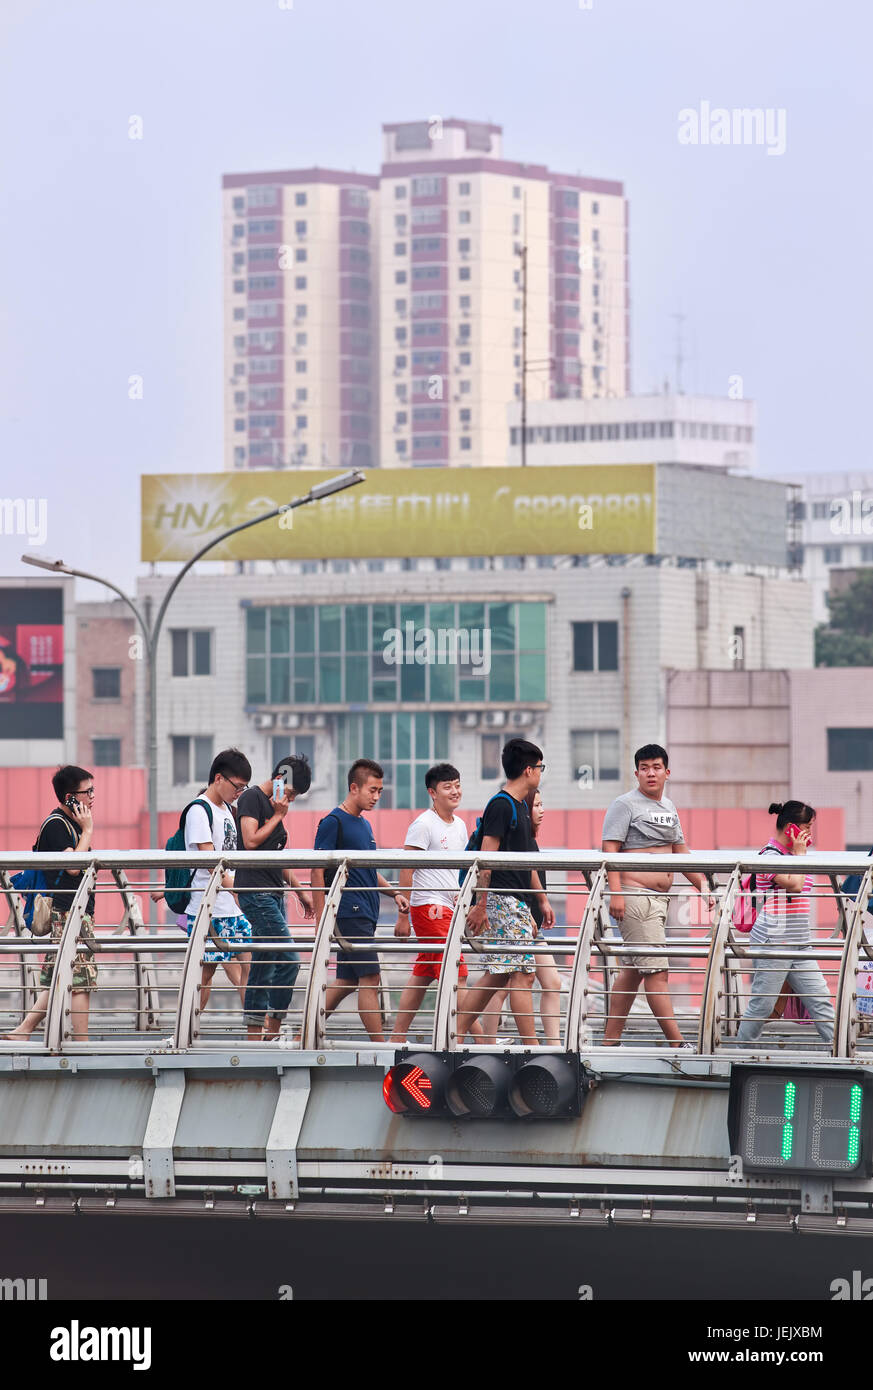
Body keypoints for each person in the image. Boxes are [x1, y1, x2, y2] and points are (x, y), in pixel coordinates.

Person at [601, 743, 714, 1049]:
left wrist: (703, 888)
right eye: (644, 768)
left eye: (656, 767)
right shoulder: (624, 805)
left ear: (667, 772)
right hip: (635, 894)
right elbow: (609, 850)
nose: (650, 773)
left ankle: (610, 1042)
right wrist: (616, 893)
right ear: (636, 772)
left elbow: (680, 852)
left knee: (634, 971)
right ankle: (677, 1044)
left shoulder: (669, 807)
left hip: (658, 900)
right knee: (657, 972)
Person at [457, 739, 554, 1045]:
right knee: (523, 975)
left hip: (516, 902)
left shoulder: (520, 807)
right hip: (503, 900)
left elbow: (527, 865)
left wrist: (538, 902)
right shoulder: (502, 805)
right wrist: (482, 904)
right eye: (539, 767)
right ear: (528, 770)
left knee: (498, 975)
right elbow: (486, 860)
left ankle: (454, 1034)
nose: (540, 773)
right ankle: (532, 1047)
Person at [312, 759, 410, 1042]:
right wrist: (322, 918)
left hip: (365, 912)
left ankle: (303, 1030)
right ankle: (380, 1046)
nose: (376, 796)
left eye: (380, 791)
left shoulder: (364, 825)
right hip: (348, 911)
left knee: (346, 981)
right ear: (354, 787)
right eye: (372, 790)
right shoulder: (333, 821)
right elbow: (316, 869)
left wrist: (395, 893)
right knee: (370, 977)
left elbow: (369, 870)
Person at [389, 764, 483, 1044]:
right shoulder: (423, 824)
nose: (455, 791)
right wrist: (403, 915)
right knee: (457, 971)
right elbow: (407, 868)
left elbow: (459, 870)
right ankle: (476, 1039)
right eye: (447, 787)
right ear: (432, 793)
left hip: (448, 907)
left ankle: (397, 1036)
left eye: (457, 784)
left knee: (424, 972)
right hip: (428, 907)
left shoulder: (461, 825)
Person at [3, 766, 97, 1041]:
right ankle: (82, 1044)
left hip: (72, 910)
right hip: (68, 911)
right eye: (87, 792)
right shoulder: (56, 825)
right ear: (70, 797)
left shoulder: (69, 825)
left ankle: (24, 1031)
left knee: (61, 974)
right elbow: (72, 868)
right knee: (81, 981)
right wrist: (88, 829)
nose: (92, 797)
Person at [736, 800, 834, 1045]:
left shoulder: (795, 856)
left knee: (819, 999)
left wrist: (800, 855)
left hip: (799, 940)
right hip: (773, 939)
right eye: (807, 827)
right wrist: (801, 855)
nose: (810, 834)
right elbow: (796, 886)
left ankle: (842, 1053)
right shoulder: (770, 855)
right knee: (763, 1003)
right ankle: (738, 1054)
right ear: (791, 828)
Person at [236, 755, 315, 1042]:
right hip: (256, 893)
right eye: (292, 793)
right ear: (281, 780)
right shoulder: (252, 799)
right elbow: (250, 841)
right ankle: (273, 1028)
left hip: (273, 893)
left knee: (264, 965)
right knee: (290, 960)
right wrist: (279, 815)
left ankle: (255, 1037)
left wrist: (300, 893)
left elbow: (278, 859)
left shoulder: (275, 806)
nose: (291, 800)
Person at [479, 788, 563, 1045]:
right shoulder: (517, 836)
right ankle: (490, 1043)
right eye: (536, 806)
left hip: (530, 924)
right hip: (514, 918)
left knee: (551, 981)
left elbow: (531, 878)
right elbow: (492, 867)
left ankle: (554, 1044)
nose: (541, 811)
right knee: (501, 982)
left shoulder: (530, 842)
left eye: (541, 804)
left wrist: (543, 903)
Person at [182, 749, 253, 1018]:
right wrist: (238, 887)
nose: (239, 792)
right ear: (219, 778)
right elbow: (212, 862)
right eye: (237, 786)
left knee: (250, 963)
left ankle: (257, 1029)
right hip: (208, 908)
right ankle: (184, 1028)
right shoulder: (199, 811)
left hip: (230, 907)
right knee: (204, 974)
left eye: (244, 788)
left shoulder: (227, 811)